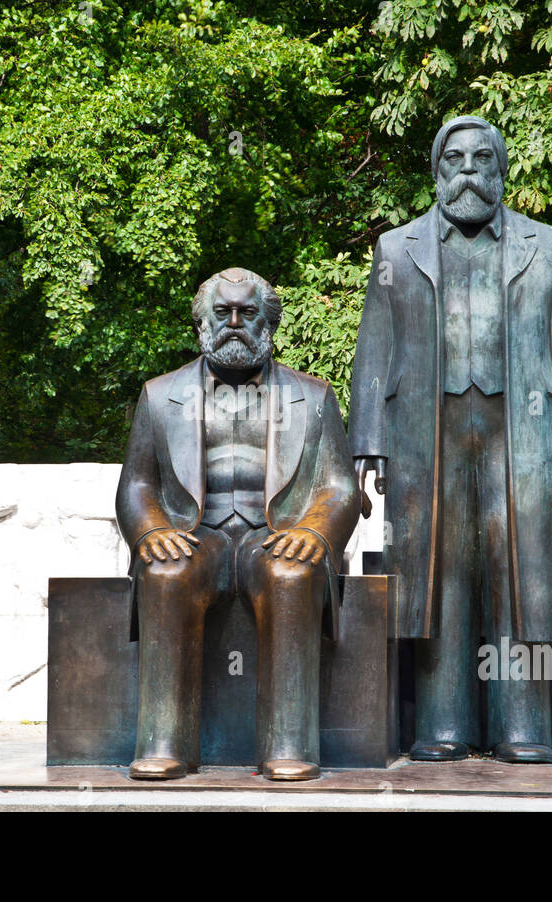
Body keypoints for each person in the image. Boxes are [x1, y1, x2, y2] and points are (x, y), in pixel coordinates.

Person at [349, 116, 552, 763]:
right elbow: (375, 346)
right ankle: (443, 725)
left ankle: (522, 725)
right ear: (437, 172)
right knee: (440, 574)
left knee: (519, 574)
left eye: (481, 159)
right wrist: (367, 439)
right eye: (454, 159)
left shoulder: (548, 247)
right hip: (424, 432)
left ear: (501, 170)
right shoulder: (396, 249)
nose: (468, 171)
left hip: (521, 431)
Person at [116, 268, 360, 781]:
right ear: (201, 322)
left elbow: (339, 487)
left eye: (247, 313)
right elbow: (137, 486)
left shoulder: (313, 396)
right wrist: (152, 531)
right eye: (221, 312)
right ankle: (164, 742)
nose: (233, 323)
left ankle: (289, 745)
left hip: (274, 533)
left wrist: (315, 530)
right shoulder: (160, 395)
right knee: (166, 572)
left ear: (267, 323)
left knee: (291, 572)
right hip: (195, 533)